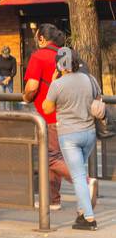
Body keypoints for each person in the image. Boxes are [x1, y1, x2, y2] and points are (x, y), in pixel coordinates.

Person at [43, 47, 99, 230]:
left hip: (69, 135)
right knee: (79, 173)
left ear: (59, 64)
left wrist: (53, 82)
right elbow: (98, 98)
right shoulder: (90, 79)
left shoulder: (57, 84)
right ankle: (81, 213)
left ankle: (89, 219)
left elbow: (47, 108)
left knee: (78, 176)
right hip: (89, 133)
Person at [21, 23, 69, 211]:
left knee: (50, 158)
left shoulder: (38, 56)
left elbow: (32, 87)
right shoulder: (65, 55)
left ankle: (85, 180)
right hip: (69, 115)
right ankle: (52, 199)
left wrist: (25, 96)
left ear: (41, 38)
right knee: (55, 157)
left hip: (49, 117)